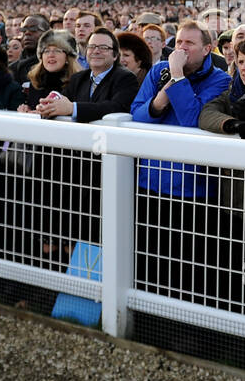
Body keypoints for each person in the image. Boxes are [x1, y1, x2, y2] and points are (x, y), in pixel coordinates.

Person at [131, 20, 232, 301]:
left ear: (207, 49)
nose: (181, 49)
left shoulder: (221, 80)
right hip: (151, 182)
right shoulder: (156, 71)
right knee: (150, 262)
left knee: (190, 268)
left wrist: (177, 77)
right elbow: (136, 115)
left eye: (189, 44)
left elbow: (193, 120)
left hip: (194, 191)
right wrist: (159, 102)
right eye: (178, 43)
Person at [32, 27, 138, 123]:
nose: (96, 51)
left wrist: (73, 108)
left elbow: (115, 107)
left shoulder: (126, 78)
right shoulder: (78, 78)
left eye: (103, 47)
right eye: (92, 47)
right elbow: (62, 103)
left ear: (115, 55)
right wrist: (47, 109)